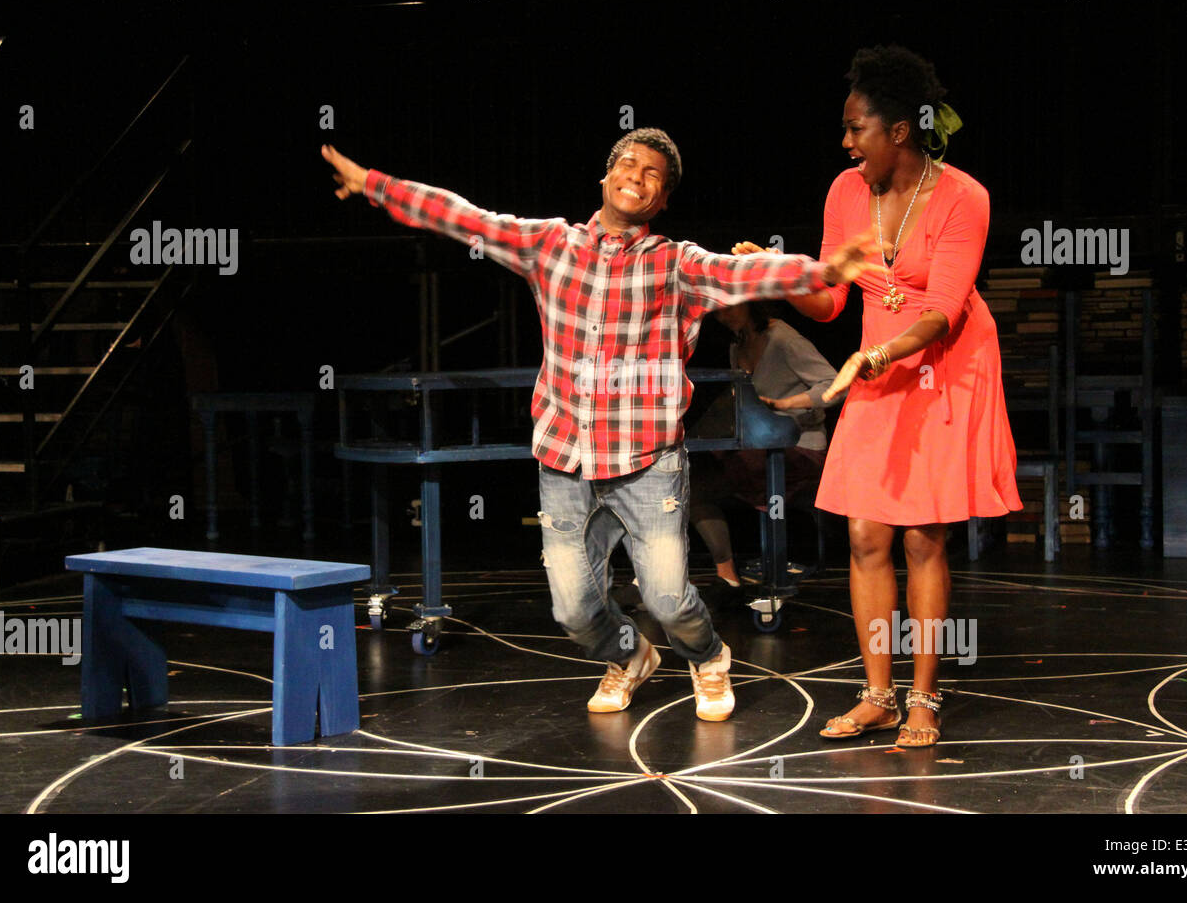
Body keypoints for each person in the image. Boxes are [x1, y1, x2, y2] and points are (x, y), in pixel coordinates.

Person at [321, 129, 879, 722]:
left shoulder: (676, 264)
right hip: (565, 458)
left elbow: (747, 275)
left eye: (653, 174)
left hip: (648, 462)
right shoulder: (550, 245)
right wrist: (374, 186)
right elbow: (467, 220)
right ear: (605, 178)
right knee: (572, 610)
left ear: (663, 200)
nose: (637, 176)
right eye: (628, 164)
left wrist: (823, 272)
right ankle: (630, 656)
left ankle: (708, 656)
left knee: (666, 597)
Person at [738, 46, 1021, 747]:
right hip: (875, 360)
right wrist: (776, 277)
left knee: (923, 533)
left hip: (943, 363)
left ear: (898, 131)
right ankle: (878, 695)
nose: (844, 141)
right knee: (865, 532)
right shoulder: (845, 191)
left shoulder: (963, 196)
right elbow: (833, 300)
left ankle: (923, 697)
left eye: (855, 127)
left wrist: (882, 354)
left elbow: (946, 311)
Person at [689, 300, 844, 600]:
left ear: (752, 302)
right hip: (760, 448)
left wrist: (786, 405)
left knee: (728, 471)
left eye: (731, 307)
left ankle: (775, 573)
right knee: (693, 483)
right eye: (719, 311)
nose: (724, 316)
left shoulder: (783, 338)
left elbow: (835, 384)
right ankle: (728, 576)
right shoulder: (739, 344)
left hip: (801, 449)